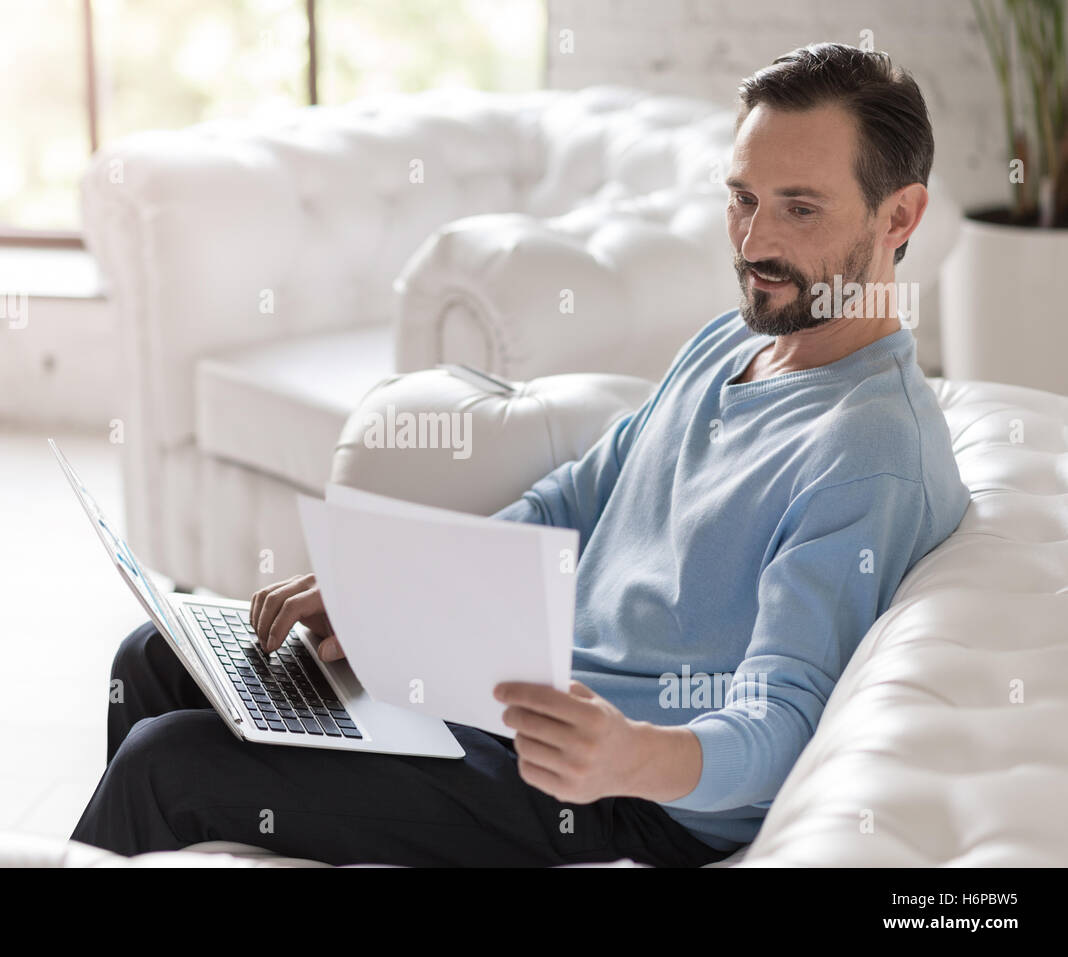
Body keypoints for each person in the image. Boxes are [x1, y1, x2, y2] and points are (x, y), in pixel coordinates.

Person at [71, 42, 971, 867]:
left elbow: (785, 719)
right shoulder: (729, 344)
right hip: (518, 692)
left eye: (799, 209)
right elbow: (572, 499)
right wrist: (391, 589)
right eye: (741, 199)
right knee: (156, 656)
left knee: (169, 765)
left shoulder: (869, 451)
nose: (754, 244)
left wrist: (631, 752)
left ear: (901, 215)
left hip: (616, 792)